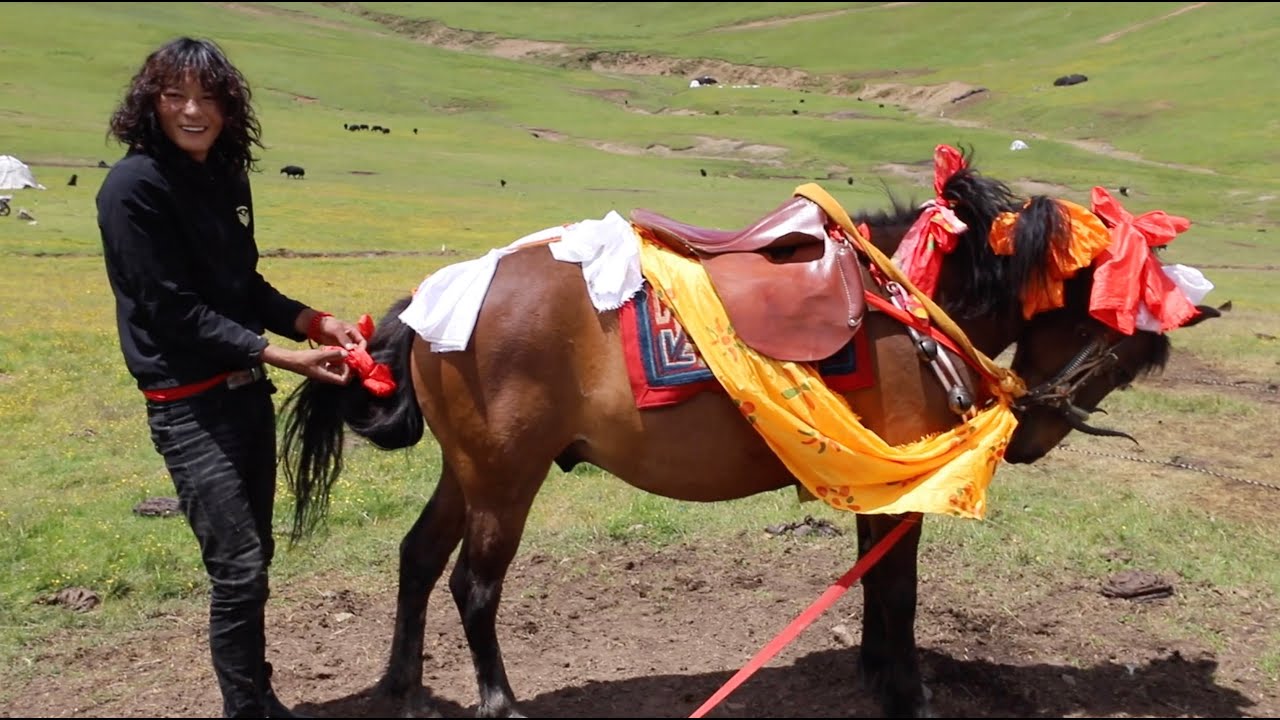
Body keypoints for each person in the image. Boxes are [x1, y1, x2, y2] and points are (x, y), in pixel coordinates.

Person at [96, 37, 365, 718]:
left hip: (244, 397)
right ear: (151, 103)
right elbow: (172, 310)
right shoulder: (132, 190)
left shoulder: (224, 176)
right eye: (176, 96)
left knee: (255, 559)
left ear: (228, 107)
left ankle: (256, 698)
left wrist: (315, 322)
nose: (193, 111)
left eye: (208, 98)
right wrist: (283, 357)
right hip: (187, 405)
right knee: (239, 568)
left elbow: (243, 285)